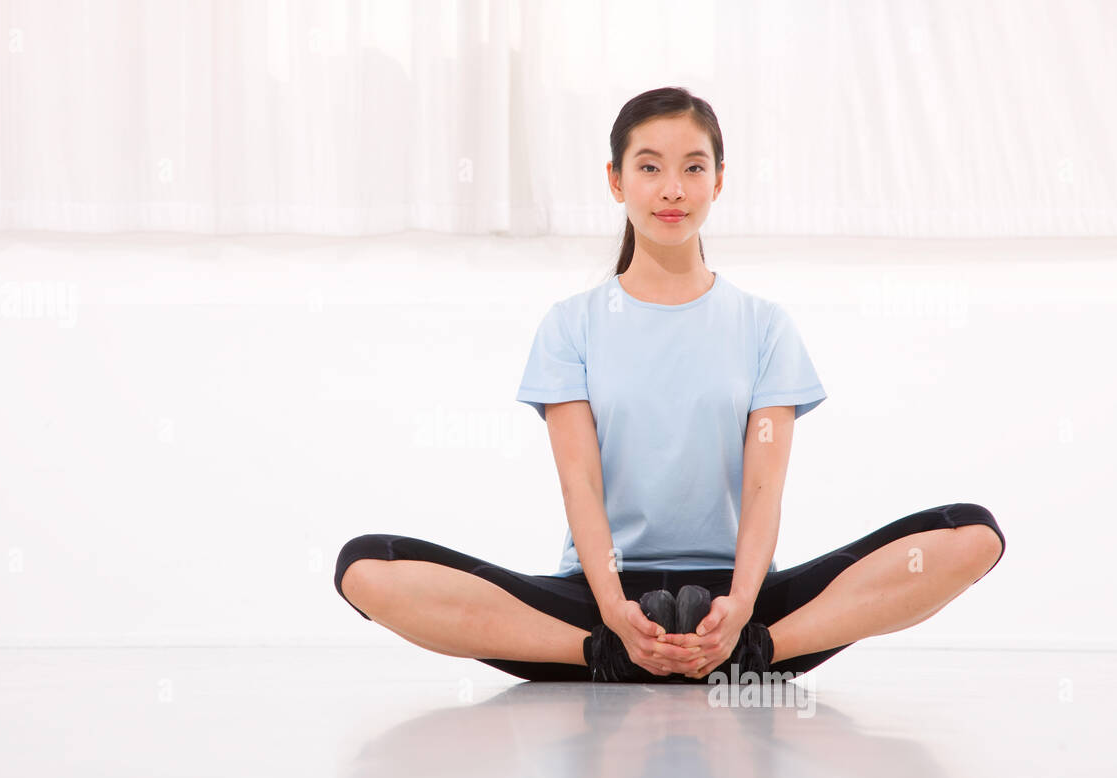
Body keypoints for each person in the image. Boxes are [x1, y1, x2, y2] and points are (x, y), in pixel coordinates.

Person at [334, 86, 1005, 683]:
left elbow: (765, 491)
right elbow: (582, 488)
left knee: (971, 535)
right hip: (598, 597)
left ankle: (757, 652)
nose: (672, 189)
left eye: (693, 168)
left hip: (740, 598)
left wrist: (741, 611)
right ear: (616, 180)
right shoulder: (573, 325)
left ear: (719, 182)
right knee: (365, 567)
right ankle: (604, 653)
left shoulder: (762, 325)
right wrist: (614, 614)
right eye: (649, 167)